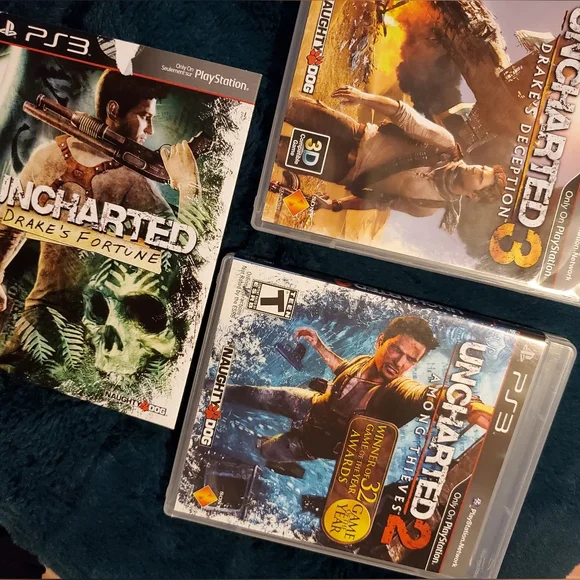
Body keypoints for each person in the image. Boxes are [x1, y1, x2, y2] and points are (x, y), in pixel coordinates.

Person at [0, 70, 200, 361]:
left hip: (101, 327)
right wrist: (190, 188)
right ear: (114, 111)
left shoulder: (53, 159)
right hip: (51, 318)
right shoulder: (122, 177)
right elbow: (187, 252)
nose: (150, 129)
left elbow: (177, 259)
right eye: (144, 116)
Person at [225, 316, 493, 466]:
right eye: (396, 349)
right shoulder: (366, 361)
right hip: (311, 404)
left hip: (312, 441)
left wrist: (470, 407)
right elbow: (343, 369)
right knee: (248, 393)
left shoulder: (398, 391)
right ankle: (215, 390)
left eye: (411, 360)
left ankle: (279, 462)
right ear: (380, 341)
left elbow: (427, 396)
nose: (400, 363)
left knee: (265, 450)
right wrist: (318, 345)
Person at [276, 86, 507, 232]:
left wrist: (336, 205)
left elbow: (379, 201)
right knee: (287, 107)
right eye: (481, 168)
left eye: (480, 177)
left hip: (340, 169)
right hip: (352, 132)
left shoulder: (428, 206)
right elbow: (404, 115)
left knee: (277, 150)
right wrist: (363, 97)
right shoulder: (445, 144)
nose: (475, 170)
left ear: (473, 195)